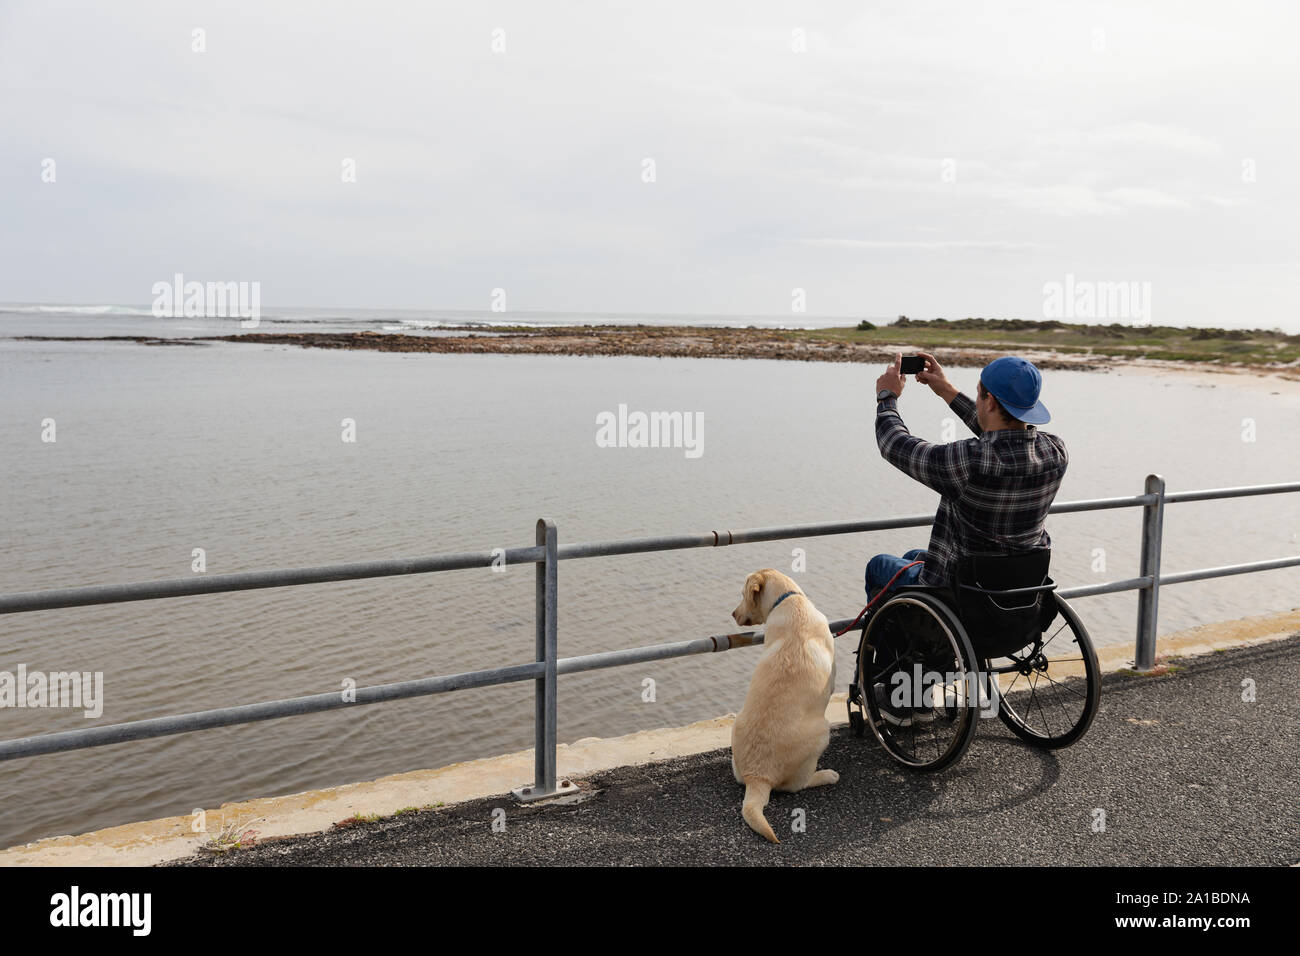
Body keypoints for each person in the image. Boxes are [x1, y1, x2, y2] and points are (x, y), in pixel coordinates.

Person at [865, 352, 1068, 604]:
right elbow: (1004, 435)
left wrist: (887, 397)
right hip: (1019, 593)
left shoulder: (968, 462)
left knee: (878, 566)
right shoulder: (1055, 452)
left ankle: (883, 643)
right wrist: (946, 390)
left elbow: (894, 445)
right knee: (913, 555)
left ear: (990, 401)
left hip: (958, 594)